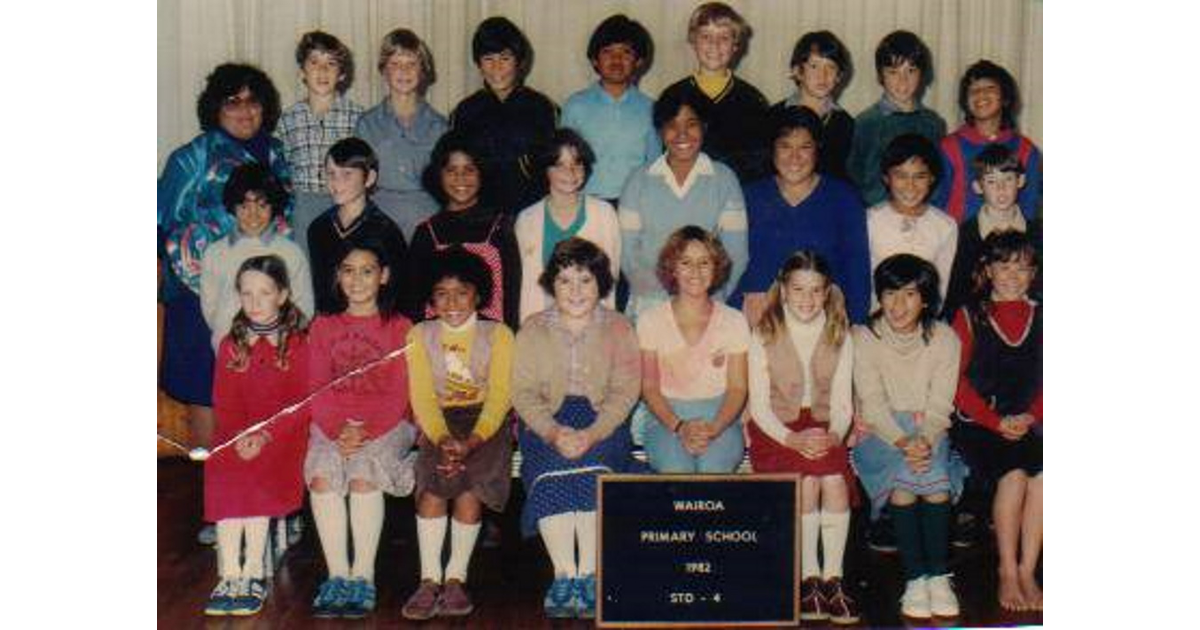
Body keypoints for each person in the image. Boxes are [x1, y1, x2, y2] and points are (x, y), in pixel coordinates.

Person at [159, 62, 292, 453]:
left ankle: (258, 501)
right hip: (199, 294)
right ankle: (212, 499)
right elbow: (156, 220)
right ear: (215, 108)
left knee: (260, 391)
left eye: (252, 101)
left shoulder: (278, 153)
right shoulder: (191, 157)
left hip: (264, 296)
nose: (244, 109)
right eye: (232, 101)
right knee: (206, 390)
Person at [512, 238, 642, 619]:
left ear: (601, 282)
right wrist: (553, 432)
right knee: (552, 476)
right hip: (546, 420)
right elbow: (523, 392)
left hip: (602, 421)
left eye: (585, 280)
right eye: (565, 281)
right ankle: (563, 574)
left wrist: (592, 433)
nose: (575, 291)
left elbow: (625, 392)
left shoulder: (619, 327)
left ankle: (587, 574)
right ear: (551, 284)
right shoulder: (533, 329)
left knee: (591, 476)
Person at [401, 248, 515, 620]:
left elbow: (499, 397)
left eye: (461, 292)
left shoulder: (498, 334)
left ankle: (455, 578)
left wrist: (472, 441)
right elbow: (421, 397)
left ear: (478, 294)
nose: (451, 302)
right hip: (439, 425)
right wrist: (442, 438)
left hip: (486, 425)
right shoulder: (420, 334)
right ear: (431, 299)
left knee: (469, 490)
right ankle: (429, 578)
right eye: (441, 293)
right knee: (433, 489)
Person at [305, 241, 417, 619]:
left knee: (362, 476)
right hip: (332, 422)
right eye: (348, 270)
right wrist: (339, 429)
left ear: (383, 276)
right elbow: (316, 386)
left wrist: (364, 431)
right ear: (338, 276)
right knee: (322, 474)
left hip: (388, 423)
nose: (357, 279)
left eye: (367, 271)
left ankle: (363, 576)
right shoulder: (322, 326)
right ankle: (338, 574)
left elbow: (399, 394)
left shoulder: (401, 327)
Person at [850, 254, 964, 620]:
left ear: (926, 299)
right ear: (878, 297)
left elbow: (939, 406)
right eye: (889, 293)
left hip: (929, 430)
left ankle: (939, 578)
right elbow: (873, 404)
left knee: (935, 486)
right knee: (905, 485)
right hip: (881, 433)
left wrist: (924, 439)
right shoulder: (863, 336)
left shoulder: (945, 338)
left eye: (909, 294)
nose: (898, 305)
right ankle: (916, 579)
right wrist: (904, 442)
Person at [746, 251, 857, 624]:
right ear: (783, 289)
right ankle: (808, 578)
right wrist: (792, 440)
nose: (807, 300)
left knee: (834, 481)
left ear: (827, 292)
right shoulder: (763, 332)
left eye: (815, 291)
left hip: (824, 426)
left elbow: (843, 405)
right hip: (776, 430)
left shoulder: (839, 331)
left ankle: (834, 578)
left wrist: (834, 437)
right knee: (807, 483)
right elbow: (759, 407)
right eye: (798, 290)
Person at [203, 255, 309, 617]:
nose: (254, 302)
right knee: (224, 466)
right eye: (246, 294)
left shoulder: (295, 342)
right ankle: (228, 572)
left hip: (283, 437)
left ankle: (252, 574)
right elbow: (225, 403)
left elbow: (301, 404)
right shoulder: (231, 345)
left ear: (282, 295)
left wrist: (264, 437)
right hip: (237, 435)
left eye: (264, 293)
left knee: (256, 471)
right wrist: (238, 438)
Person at [949, 231, 1042, 611]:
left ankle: (1027, 569)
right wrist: (993, 420)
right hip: (979, 422)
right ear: (988, 270)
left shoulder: (1047, 314)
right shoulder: (970, 315)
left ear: (1033, 273)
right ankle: (1006, 568)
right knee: (1015, 473)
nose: (1012, 276)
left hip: (1028, 419)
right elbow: (955, 382)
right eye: (1003, 267)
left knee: (1046, 474)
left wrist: (1032, 415)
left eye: (1022, 268)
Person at [732, 106, 871, 326]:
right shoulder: (748, 196)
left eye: (805, 147)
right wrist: (741, 303)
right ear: (773, 148)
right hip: (758, 321)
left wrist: (853, 325)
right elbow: (731, 262)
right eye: (785, 146)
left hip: (823, 323)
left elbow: (857, 272)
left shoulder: (844, 198)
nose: (794, 157)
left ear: (817, 148)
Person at [618, 89, 748, 319]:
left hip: (706, 304)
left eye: (691, 124)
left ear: (704, 127)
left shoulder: (724, 179)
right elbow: (628, 254)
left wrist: (709, 298)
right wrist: (661, 301)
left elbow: (736, 253)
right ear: (660, 131)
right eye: (672, 125)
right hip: (650, 305)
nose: (682, 134)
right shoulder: (637, 180)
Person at [637, 226, 749, 472]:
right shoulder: (650, 320)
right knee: (677, 471)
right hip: (666, 420)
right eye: (685, 262)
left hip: (721, 418)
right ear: (672, 268)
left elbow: (738, 388)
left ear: (716, 267)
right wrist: (679, 427)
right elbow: (649, 388)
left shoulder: (734, 320)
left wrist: (715, 428)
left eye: (704, 262)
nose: (695, 272)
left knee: (714, 470)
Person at [409, 132, 522, 328]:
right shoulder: (427, 232)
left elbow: (512, 297)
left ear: (482, 173)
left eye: (469, 170)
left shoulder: (500, 227)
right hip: (437, 343)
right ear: (439, 175)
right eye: (451, 170)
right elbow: (415, 302)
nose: (460, 178)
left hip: (491, 342)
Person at [450, 16, 558, 215]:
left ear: (519, 62)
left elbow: (553, 170)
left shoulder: (543, 109)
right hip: (479, 218)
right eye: (488, 59)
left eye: (505, 58)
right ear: (478, 64)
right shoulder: (464, 112)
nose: (496, 68)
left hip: (532, 214)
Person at [201, 164, 313, 350]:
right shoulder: (214, 253)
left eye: (262, 205)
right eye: (244, 206)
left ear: (273, 205)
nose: (253, 214)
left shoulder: (291, 252)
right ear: (233, 207)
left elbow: (304, 307)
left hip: (279, 351)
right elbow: (210, 308)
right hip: (229, 350)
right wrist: (229, 335)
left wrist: (280, 340)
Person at [515, 128, 621, 323]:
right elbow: (526, 288)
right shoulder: (526, 219)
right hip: (543, 327)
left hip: (594, 324)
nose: (570, 172)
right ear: (545, 170)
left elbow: (610, 280)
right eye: (559, 165)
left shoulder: (604, 214)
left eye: (577, 163)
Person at [657, 2, 770, 183]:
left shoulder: (752, 100)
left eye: (724, 38)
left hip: (735, 196)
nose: (714, 44)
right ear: (693, 41)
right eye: (706, 36)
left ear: (735, 45)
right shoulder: (673, 96)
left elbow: (759, 164)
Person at [355, 28, 448, 241]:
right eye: (395, 64)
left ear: (423, 70)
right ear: (384, 71)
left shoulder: (440, 126)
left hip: (428, 226)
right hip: (378, 226)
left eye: (411, 64)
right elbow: (357, 184)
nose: (403, 72)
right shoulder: (366, 124)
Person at [278, 31, 365, 258]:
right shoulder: (288, 119)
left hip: (346, 205)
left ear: (342, 74)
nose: (322, 70)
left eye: (331, 63)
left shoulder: (358, 117)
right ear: (302, 72)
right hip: (304, 208)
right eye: (314, 62)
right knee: (306, 273)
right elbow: (282, 170)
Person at [560, 14, 659, 204]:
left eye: (626, 52)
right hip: (586, 203)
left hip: (634, 205)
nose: (616, 59)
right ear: (595, 60)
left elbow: (654, 166)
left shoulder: (651, 109)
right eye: (607, 51)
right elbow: (563, 163)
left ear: (639, 61)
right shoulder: (575, 106)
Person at [307, 138, 408, 317]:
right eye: (331, 173)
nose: (336, 182)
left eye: (347, 174)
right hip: (331, 330)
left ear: (369, 178)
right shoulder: (318, 228)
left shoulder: (387, 231)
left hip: (374, 327)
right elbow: (321, 293)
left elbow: (397, 296)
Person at [934, 60, 1043, 223]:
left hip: (1011, 243)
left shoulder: (1026, 150)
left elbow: (1030, 208)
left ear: (1005, 97)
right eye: (974, 90)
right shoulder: (949, 147)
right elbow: (937, 204)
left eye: (990, 88)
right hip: (958, 241)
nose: (981, 95)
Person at [848, 30, 947, 207]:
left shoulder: (933, 123)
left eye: (911, 70)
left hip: (924, 220)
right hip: (879, 220)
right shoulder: (866, 123)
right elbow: (857, 181)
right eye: (893, 72)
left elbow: (938, 180)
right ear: (881, 75)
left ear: (922, 74)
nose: (903, 80)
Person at [943, 143, 1042, 319]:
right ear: (978, 187)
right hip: (979, 324)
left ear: (1020, 181)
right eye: (991, 181)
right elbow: (955, 294)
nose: (1001, 188)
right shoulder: (963, 235)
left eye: (1008, 179)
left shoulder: (1038, 233)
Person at [866, 133, 956, 303]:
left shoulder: (945, 226)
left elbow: (941, 288)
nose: (910, 186)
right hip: (875, 318)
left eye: (920, 176)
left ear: (932, 178)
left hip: (923, 321)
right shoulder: (869, 221)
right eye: (901, 176)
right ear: (886, 178)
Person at [770, 30, 855, 181]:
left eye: (831, 67)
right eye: (814, 66)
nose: (822, 75)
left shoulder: (846, 124)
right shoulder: (773, 117)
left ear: (839, 76)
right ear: (797, 71)